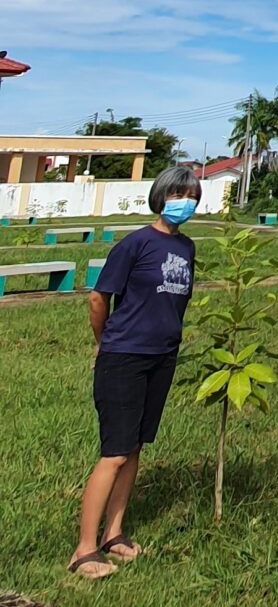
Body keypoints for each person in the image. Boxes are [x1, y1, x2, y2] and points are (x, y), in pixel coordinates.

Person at [68, 163, 201, 580]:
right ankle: (84, 549)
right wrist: (104, 343)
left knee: (136, 448)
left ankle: (114, 533)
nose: (184, 202)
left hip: (161, 357)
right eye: (177, 194)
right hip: (123, 357)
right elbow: (97, 298)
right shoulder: (134, 245)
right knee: (114, 453)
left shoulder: (187, 249)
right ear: (160, 197)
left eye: (191, 196)